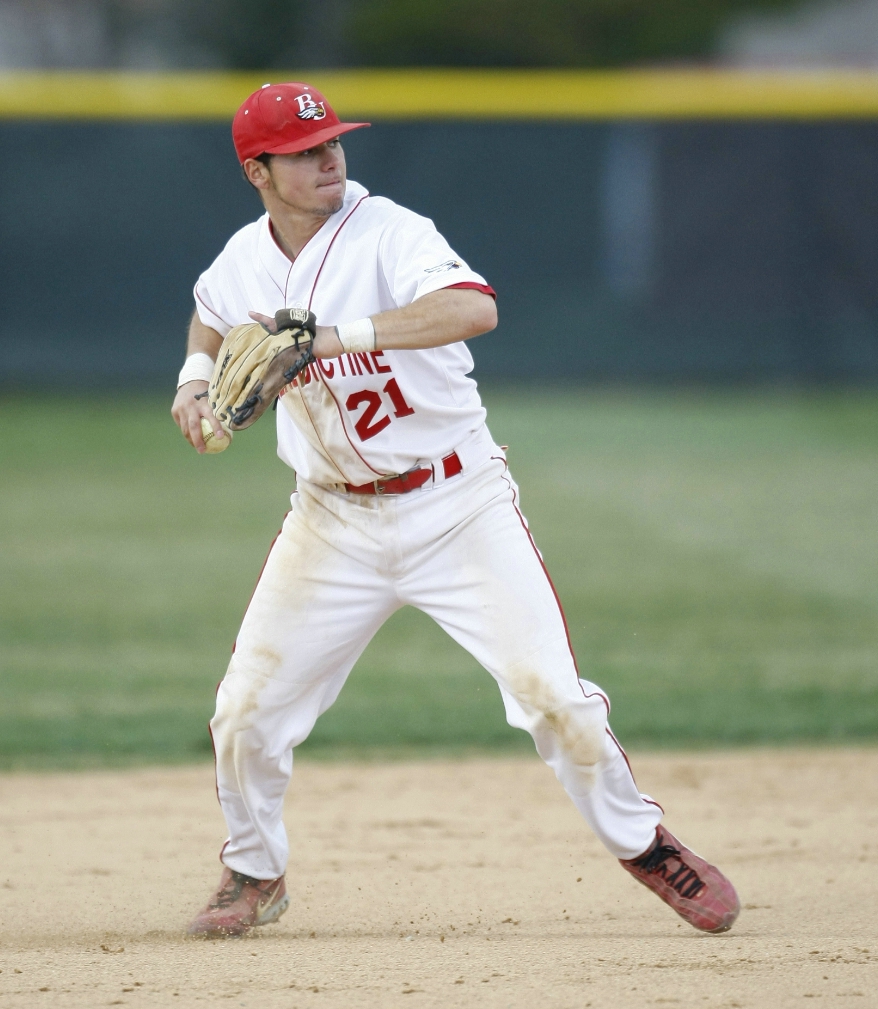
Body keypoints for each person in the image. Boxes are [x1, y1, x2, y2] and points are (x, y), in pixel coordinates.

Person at [172, 82, 740, 939]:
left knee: (556, 698)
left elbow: (474, 308)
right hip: (330, 522)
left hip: (454, 502)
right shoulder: (244, 257)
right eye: (304, 150)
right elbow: (211, 313)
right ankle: (253, 870)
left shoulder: (389, 231)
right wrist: (190, 380)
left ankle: (646, 845)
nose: (329, 158)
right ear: (257, 170)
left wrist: (332, 337)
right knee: (244, 712)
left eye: (333, 141)